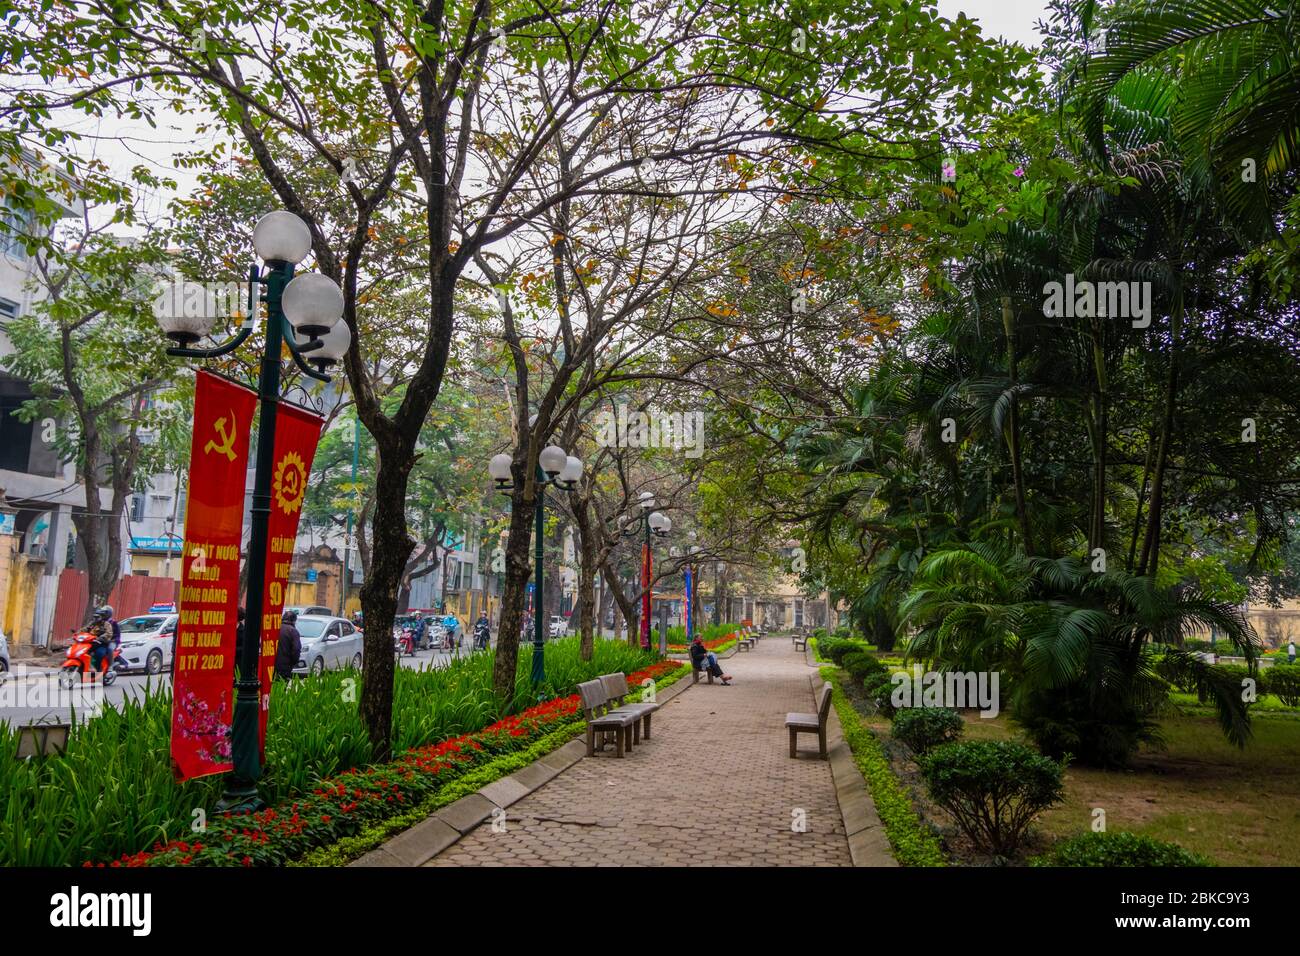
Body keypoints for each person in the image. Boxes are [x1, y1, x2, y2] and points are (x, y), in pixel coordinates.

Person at [276, 609, 302, 680]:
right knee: (282, 686)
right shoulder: (293, 631)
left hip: (271, 663)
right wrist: (294, 662)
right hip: (285, 664)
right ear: (294, 621)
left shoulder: (275, 628)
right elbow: (296, 649)